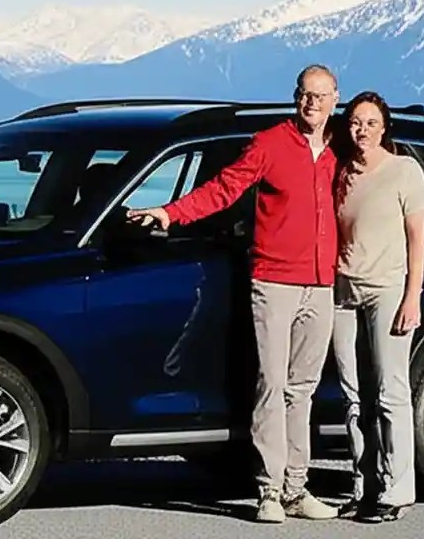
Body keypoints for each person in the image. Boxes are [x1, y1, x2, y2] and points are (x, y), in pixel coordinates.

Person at [127, 64, 343, 523]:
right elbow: (224, 189)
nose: (312, 103)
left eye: (320, 96)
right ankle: (269, 491)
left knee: (302, 392)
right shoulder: (269, 143)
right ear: (295, 97)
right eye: (305, 94)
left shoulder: (339, 150)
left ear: (334, 99)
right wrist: (170, 213)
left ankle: (297, 488)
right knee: (272, 386)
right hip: (275, 281)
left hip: (322, 284)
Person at [328, 91, 424, 523]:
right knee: (354, 395)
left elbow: (417, 240)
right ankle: (364, 486)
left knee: (391, 391)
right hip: (342, 290)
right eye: (356, 122)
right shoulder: (341, 173)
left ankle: (396, 490)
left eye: (371, 122)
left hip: (388, 289)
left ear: (385, 127)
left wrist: (413, 295)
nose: (363, 130)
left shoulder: (404, 171)